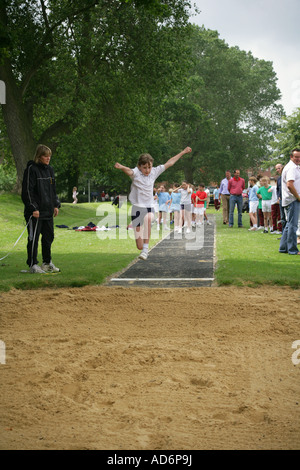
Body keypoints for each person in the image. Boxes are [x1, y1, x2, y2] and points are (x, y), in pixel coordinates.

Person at [114, 146, 192, 260]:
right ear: (139, 166)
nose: (147, 170)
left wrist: (183, 152)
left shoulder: (154, 172)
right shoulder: (135, 173)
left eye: (149, 167)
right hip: (137, 208)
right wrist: (121, 167)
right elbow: (129, 171)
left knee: (149, 218)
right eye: (144, 168)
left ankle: (146, 250)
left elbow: (170, 163)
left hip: (149, 206)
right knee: (138, 246)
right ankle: (142, 247)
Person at [21, 144, 61, 273]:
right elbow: (27, 192)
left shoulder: (50, 170)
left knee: (49, 237)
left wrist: (56, 204)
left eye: (49, 156)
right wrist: (33, 208)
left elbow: (53, 190)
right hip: (35, 212)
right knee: (34, 239)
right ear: (39, 156)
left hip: (48, 211)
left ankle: (47, 262)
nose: (48, 158)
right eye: (45, 156)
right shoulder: (31, 170)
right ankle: (33, 264)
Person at [279, 148, 300, 255]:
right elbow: (290, 184)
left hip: (289, 199)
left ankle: (283, 247)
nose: (298, 159)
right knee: (293, 225)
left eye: (299, 157)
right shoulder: (291, 168)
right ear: (291, 157)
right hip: (292, 199)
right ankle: (293, 249)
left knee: (288, 225)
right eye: (296, 157)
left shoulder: (292, 167)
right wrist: (298, 197)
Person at [275, 163, 286, 233]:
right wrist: (278, 197)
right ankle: (284, 233)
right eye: (276, 169)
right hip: (281, 199)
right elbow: (278, 189)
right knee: (282, 217)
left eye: (279, 168)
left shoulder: (287, 177)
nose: (278, 170)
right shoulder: (279, 179)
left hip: (287, 199)